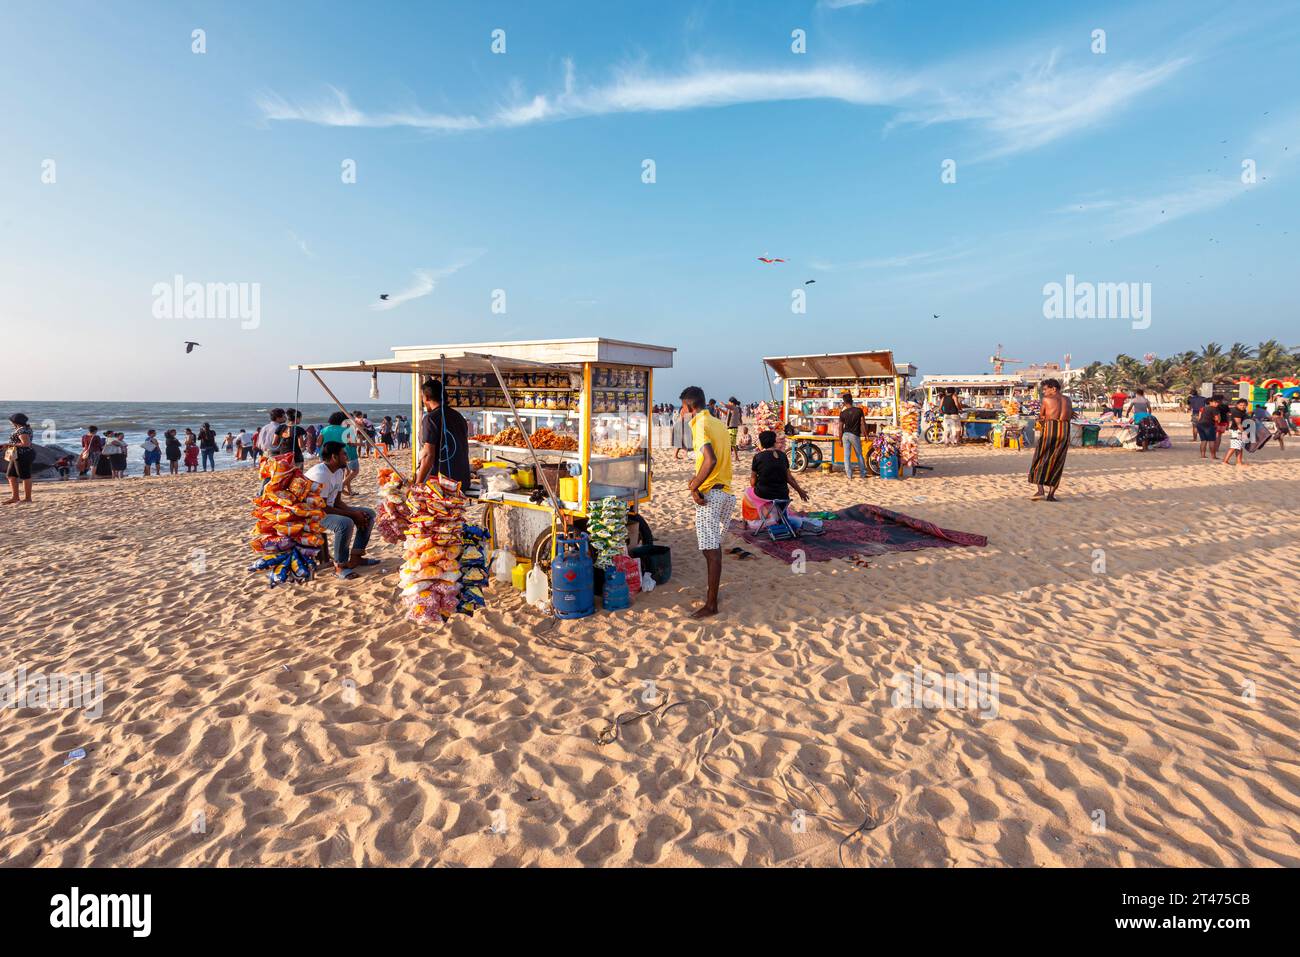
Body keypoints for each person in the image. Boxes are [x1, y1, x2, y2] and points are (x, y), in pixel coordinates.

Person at [681, 385, 734, 619]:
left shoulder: (699, 424)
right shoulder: (718, 423)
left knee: (710, 550)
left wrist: (694, 486)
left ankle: (711, 604)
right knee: (711, 547)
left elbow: (710, 460)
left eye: (683, 407)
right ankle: (712, 596)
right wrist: (697, 480)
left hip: (711, 495)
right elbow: (714, 460)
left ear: (691, 407)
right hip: (725, 491)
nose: (682, 412)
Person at [305, 441, 378, 579]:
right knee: (345, 523)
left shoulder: (338, 471)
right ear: (334, 457)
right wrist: (352, 515)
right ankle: (340, 566)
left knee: (368, 513)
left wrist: (356, 513)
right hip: (311, 513)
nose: (347, 456)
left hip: (326, 509)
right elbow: (323, 507)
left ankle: (356, 557)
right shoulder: (321, 474)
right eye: (344, 454)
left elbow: (337, 501)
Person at [749, 430, 821, 533]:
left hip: (764, 493)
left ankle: (752, 521)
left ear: (761, 443)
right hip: (783, 495)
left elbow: (752, 482)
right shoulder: (782, 455)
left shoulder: (758, 457)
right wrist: (800, 491)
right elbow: (789, 478)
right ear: (774, 441)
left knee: (748, 492)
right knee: (782, 508)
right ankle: (780, 519)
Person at [416, 379, 472, 490]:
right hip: (463, 481)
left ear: (426, 397)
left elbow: (428, 455)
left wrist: (417, 484)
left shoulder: (431, 418)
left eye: (422, 397)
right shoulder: (459, 416)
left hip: (444, 484)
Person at [1028, 378, 1071, 501]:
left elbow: (1042, 416)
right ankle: (1051, 495)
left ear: (1054, 388)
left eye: (1045, 389)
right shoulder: (1068, 399)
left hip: (1051, 429)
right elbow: (1069, 415)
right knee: (1058, 461)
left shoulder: (1047, 399)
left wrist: (1041, 420)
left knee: (1040, 458)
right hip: (1065, 430)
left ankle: (1040, 490)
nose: (1044, 392)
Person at [319, 411, 361, 495]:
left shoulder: (324, 430)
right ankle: (341, 487)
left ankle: (348, 491)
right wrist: (361, 444)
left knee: (340, 473)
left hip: (326, 455)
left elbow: (318, 443)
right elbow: (351, 443)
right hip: (344, 454)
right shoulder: (346, 430)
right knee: (355, 471)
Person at [4, 413, 35, 503]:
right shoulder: (23, 429)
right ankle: (15, 497)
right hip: (16, 455)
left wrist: (10, 444)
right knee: (10, 475)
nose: (10, 423)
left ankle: (28, 498)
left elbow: (26, 444)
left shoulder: (22, 430)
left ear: (15, 421)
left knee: (25, 476)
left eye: (11, 421)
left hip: (23, 455)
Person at [839, 393, 867, 479]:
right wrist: (865, 434)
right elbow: (862, 423)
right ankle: (863, 473)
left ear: (844, 403)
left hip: (845, 435)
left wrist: (840, 439)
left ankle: (849, 475)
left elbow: (840, 427)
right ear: (852, 401)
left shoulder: (842, 413)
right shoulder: (859, 410)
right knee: (859, 454)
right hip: (855, 435)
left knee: (846, 456)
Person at [1223, 399, 1250, 467]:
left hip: (1239, 430)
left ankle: (1239, 462)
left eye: (1244, 405)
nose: (1242, 406)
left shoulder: (1242, 411)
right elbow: (1238, 424)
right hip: (1237, 431)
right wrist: (1243, 432)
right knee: (1234, 447)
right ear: (1237, 405)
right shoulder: (1236, 412)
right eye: (1241, 405)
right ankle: (1225, 461)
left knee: (1239, 447)